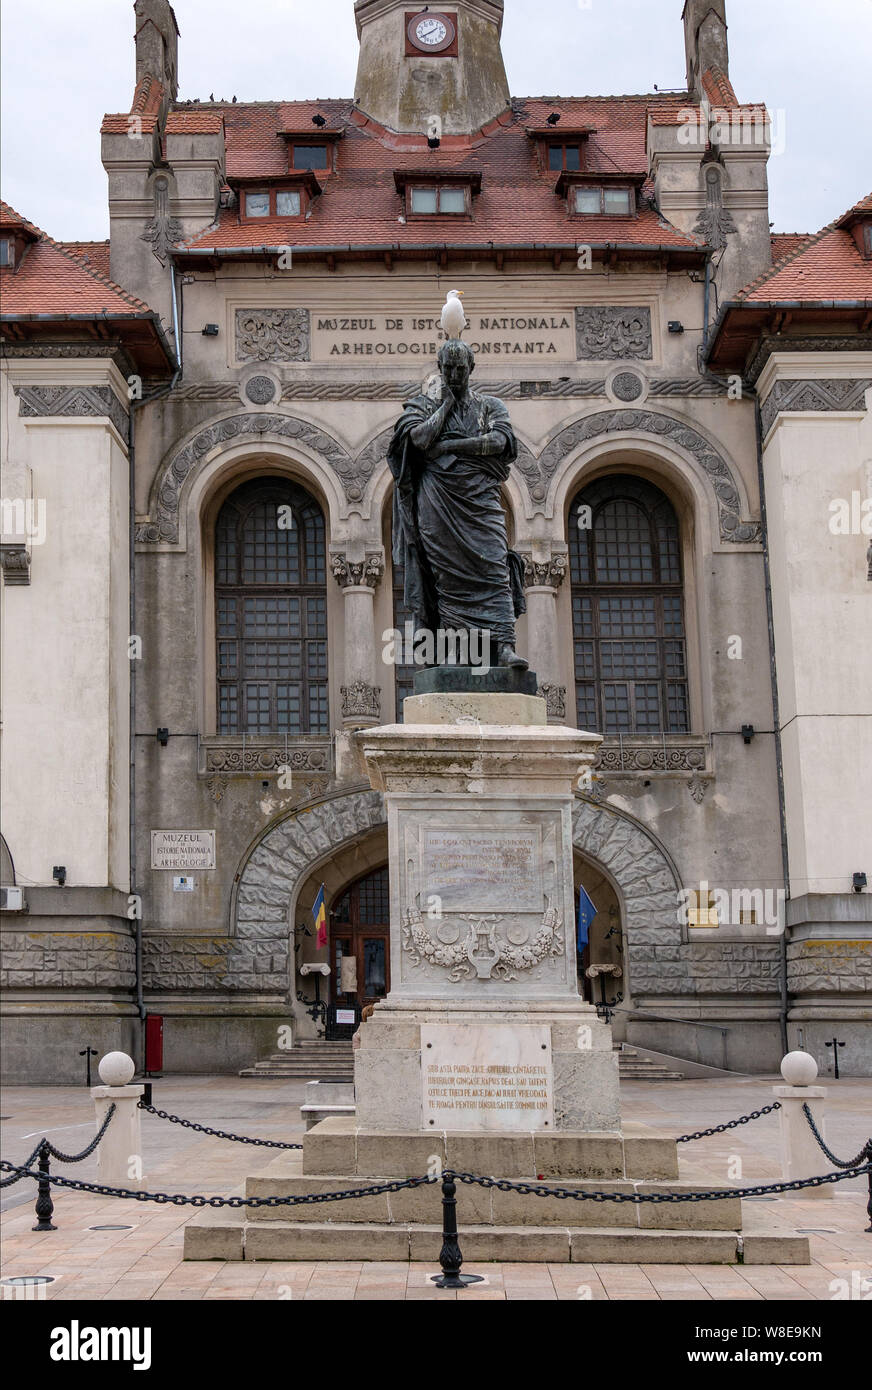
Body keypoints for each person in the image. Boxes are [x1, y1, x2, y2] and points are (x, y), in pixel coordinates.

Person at [388, 339, 527, 670]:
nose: (453, 374)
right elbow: (419, 439)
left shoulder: (490, 406)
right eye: (447, 368)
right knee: (446, 577)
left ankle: (504, 646)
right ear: (440, 369)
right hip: (438, 501)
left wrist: (453, 445)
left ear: (471, 369)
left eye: (459, 368)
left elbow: (502, 441)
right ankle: (456, 651)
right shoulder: (422, 405)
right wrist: (445, 407)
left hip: (480, 499)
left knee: (494, 566)